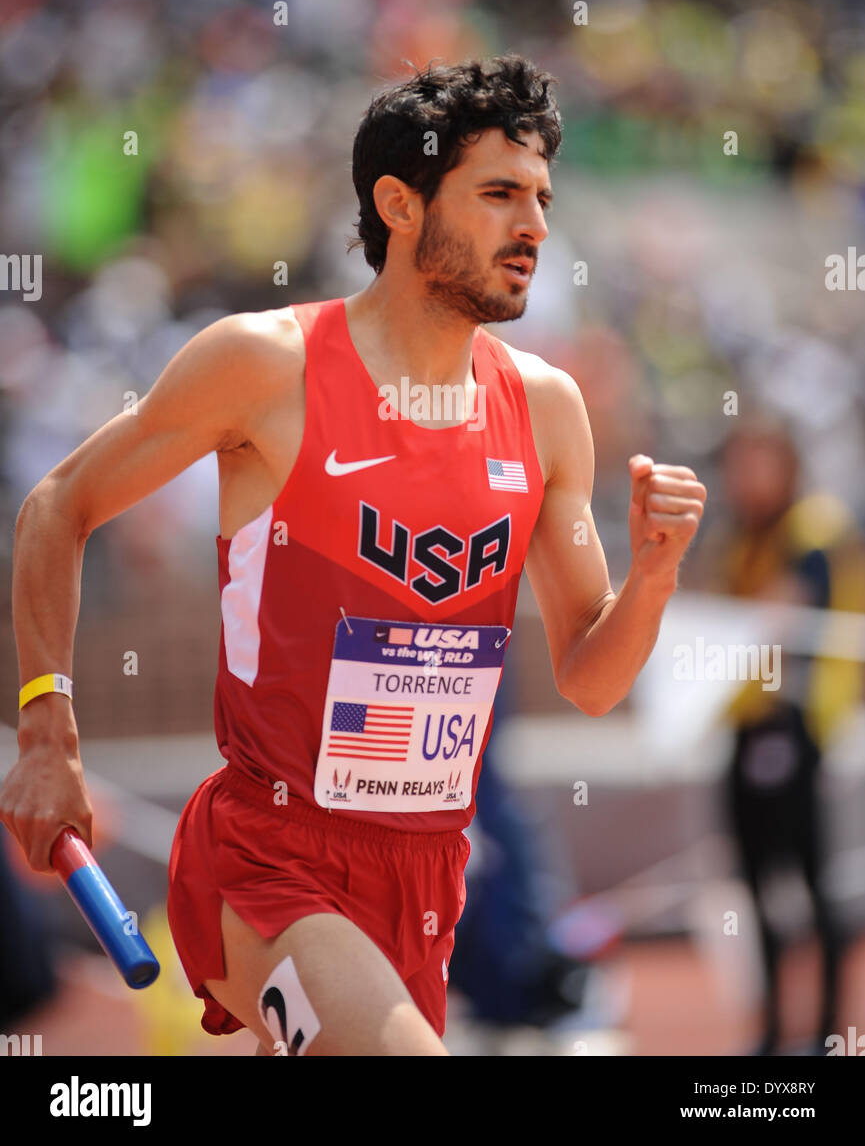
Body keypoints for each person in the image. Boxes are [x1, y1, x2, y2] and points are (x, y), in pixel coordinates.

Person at [1, 56, 706, 1056]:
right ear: (399, 203)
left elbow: (592, 675)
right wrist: (46, 734)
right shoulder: (264, 364)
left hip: (427, 878)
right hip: (267, 861)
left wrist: (656, 573)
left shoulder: (546, 409)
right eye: (499, 193)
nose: (535, 226)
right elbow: (56, 503)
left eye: (542, 197)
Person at [713, 422, 861, 1055]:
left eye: (760, 463)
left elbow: (782, 618)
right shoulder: (740, 542)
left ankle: (830, 1030)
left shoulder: (814, 530)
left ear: (789, 466)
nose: (746, 479)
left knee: (812, 883)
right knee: (754, 885)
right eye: (738, 465)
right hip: (747, 733)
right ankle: (775, 1030)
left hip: (799, 734)